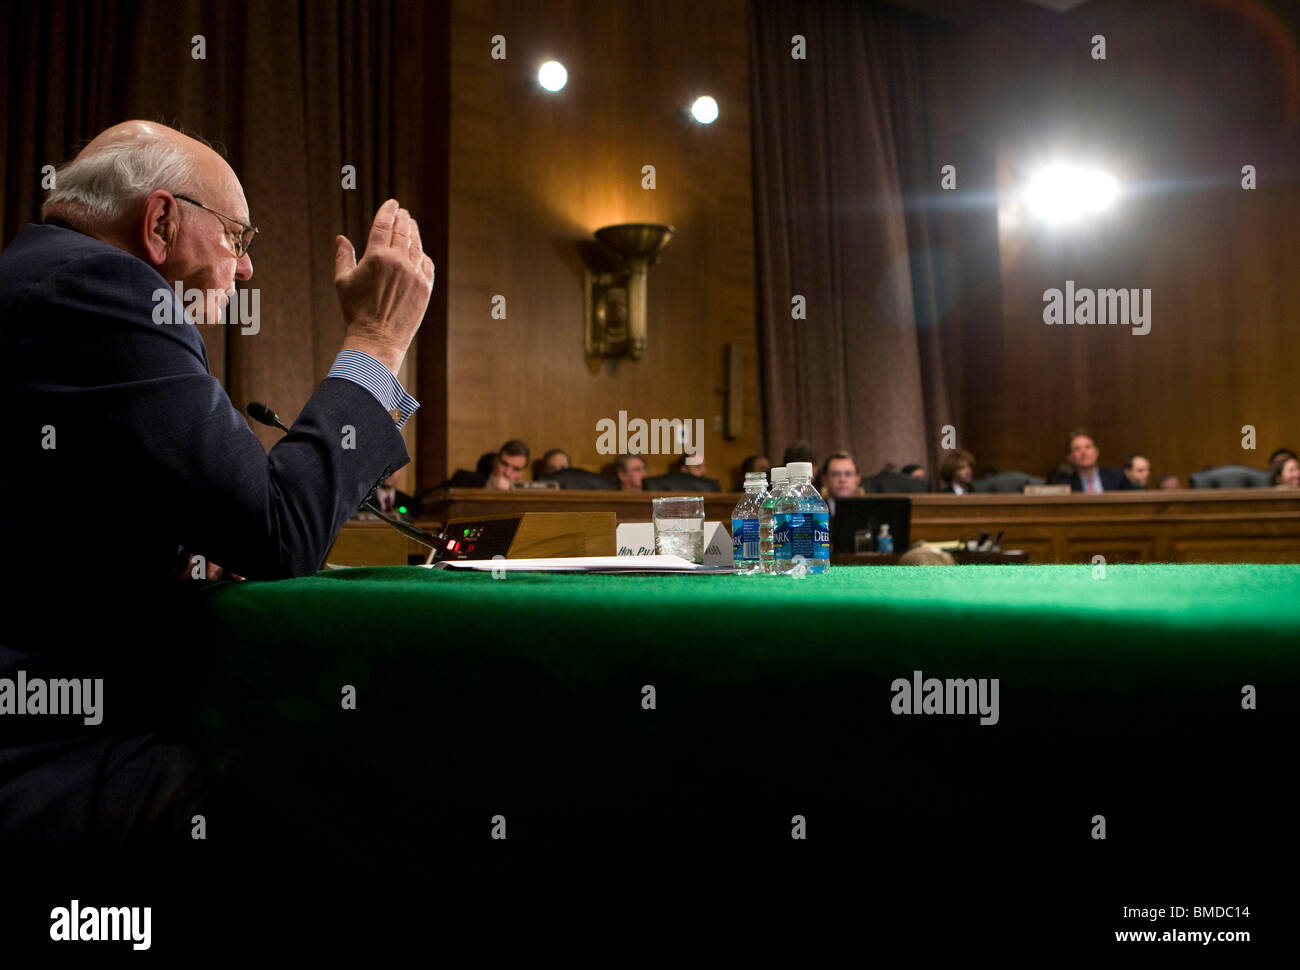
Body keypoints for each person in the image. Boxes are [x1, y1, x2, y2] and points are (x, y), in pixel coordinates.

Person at [0, 120, 434, 847]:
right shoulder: (103, 288)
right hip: (45, 756)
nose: (247, 267)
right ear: (162, 220)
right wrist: (377, 342)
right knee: (363, 781)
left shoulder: (42, 275)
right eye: (237, 236)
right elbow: (279, 530)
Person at [1062, 430, 1131, 493]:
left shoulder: (1117, 477)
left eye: (1088, 447)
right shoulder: (1065, 486)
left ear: (1096, 452)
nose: (1084, 452)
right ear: (1070, 457)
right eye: (1077, 449)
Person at [820, 450, 865, 516]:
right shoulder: (816, 512)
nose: (842, 480)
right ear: (824, 480)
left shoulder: (868, 511)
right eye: (835, 474)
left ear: (857, 480)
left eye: (848, 474)